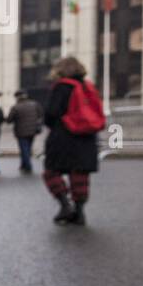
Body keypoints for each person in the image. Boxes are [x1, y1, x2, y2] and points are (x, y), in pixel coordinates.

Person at [43, 57, 101, 225]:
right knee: (80, 175)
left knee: (51, 171)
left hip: (64, 135)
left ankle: (64, 205)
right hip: (87, 137)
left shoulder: (61, 87)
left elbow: (52, 113)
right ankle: (80, 212)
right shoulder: (88, 86)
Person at [5, 89, 44, 174]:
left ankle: (28, 166)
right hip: (33, 130)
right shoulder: (35, 104)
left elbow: (9, 120)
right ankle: (23, 164)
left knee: (24, 149)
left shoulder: (16, 107)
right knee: (28, 148)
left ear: (17, 97)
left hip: (21, 131)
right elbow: (40, 115)